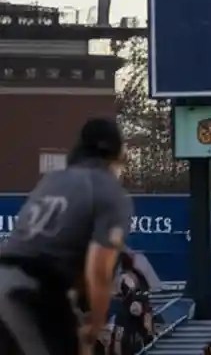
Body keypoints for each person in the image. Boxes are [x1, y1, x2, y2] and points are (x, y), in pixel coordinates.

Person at [0, 117, 133, 355]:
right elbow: (98, 269)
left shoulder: (52, 180)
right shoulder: (109, 191)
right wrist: (96, 324)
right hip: (32, 291)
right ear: (116, 153)